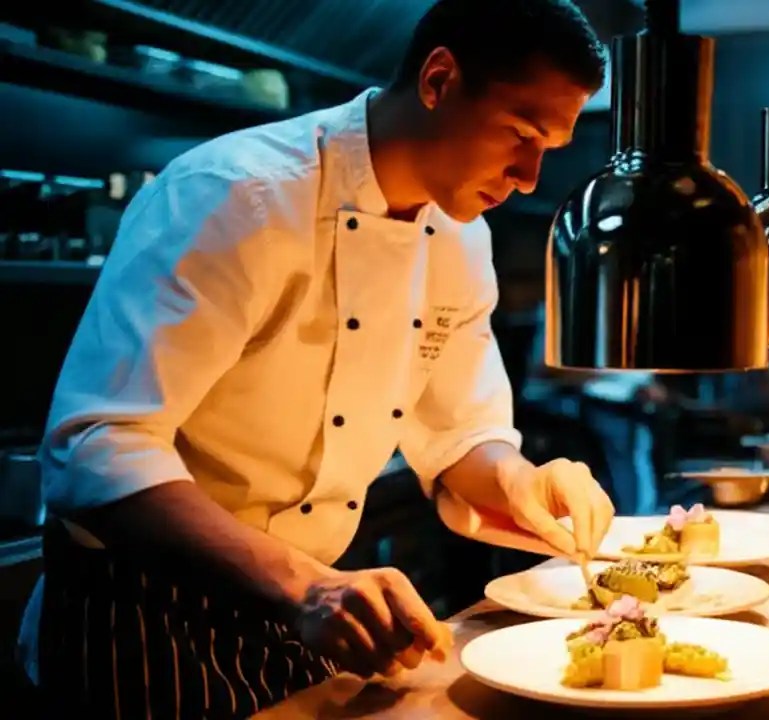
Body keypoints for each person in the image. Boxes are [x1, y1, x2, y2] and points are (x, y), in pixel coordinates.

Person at [17, 1, 615, 717]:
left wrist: (521, 480)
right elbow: (95, 446)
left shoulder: (458, 236)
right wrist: (304, 585)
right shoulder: (237, 195)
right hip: (142, 613)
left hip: (307, 603)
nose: (528, 175)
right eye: (519, 133)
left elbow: (459, 434)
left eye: (548, 145)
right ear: (439, 81)